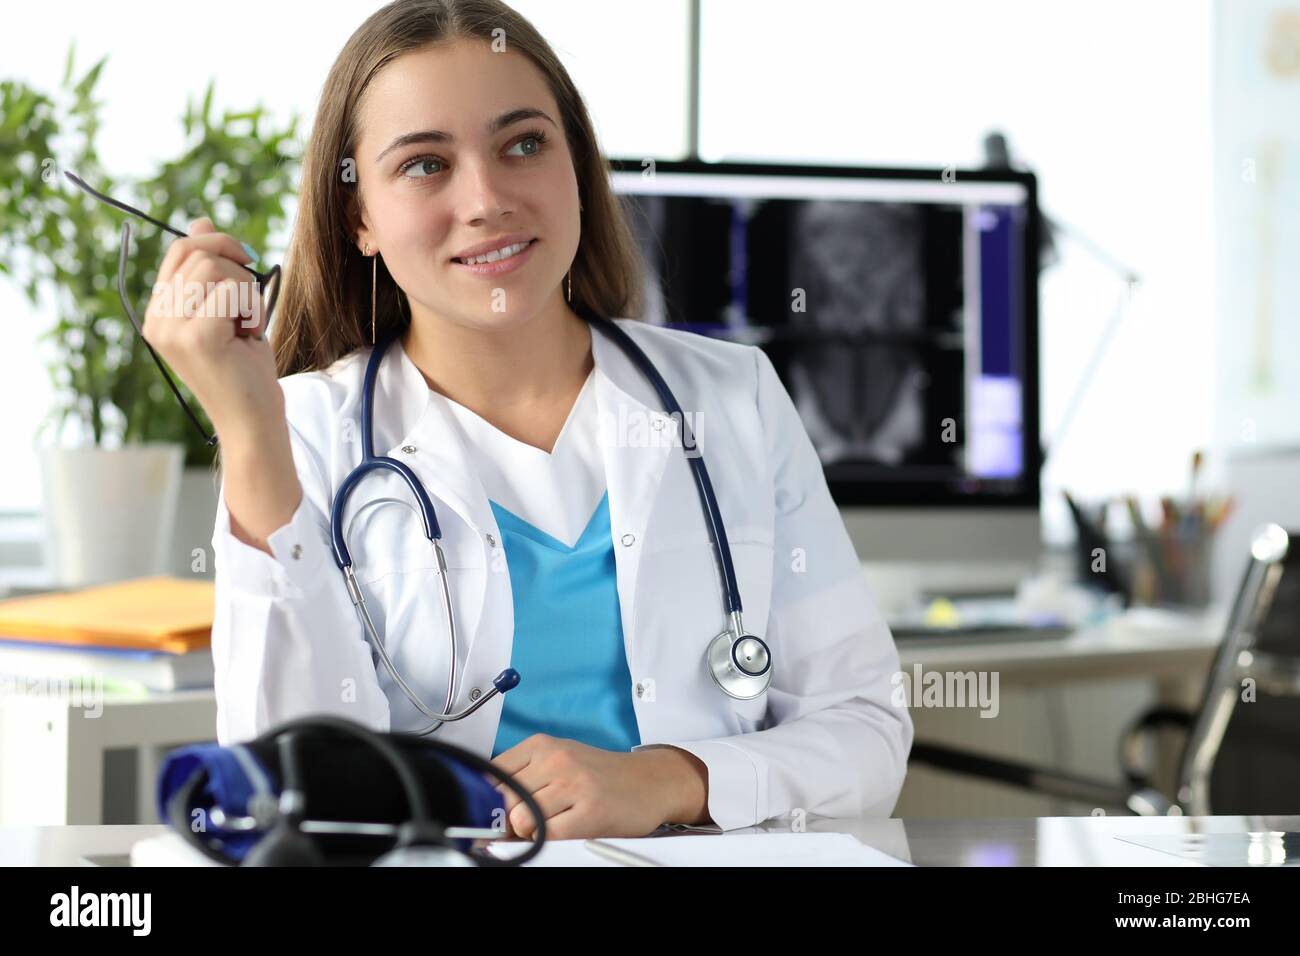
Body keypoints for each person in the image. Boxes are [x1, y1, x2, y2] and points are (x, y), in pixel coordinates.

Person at [141, 0, 911, 840]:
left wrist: (675, 779)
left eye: (523, 144)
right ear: (360, 217)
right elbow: (284, 795)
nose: (487, 199)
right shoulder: (304, 433)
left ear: (576, 163)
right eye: (426, 164)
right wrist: (252, 432)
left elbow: (867, 731)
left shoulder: (734, 397)